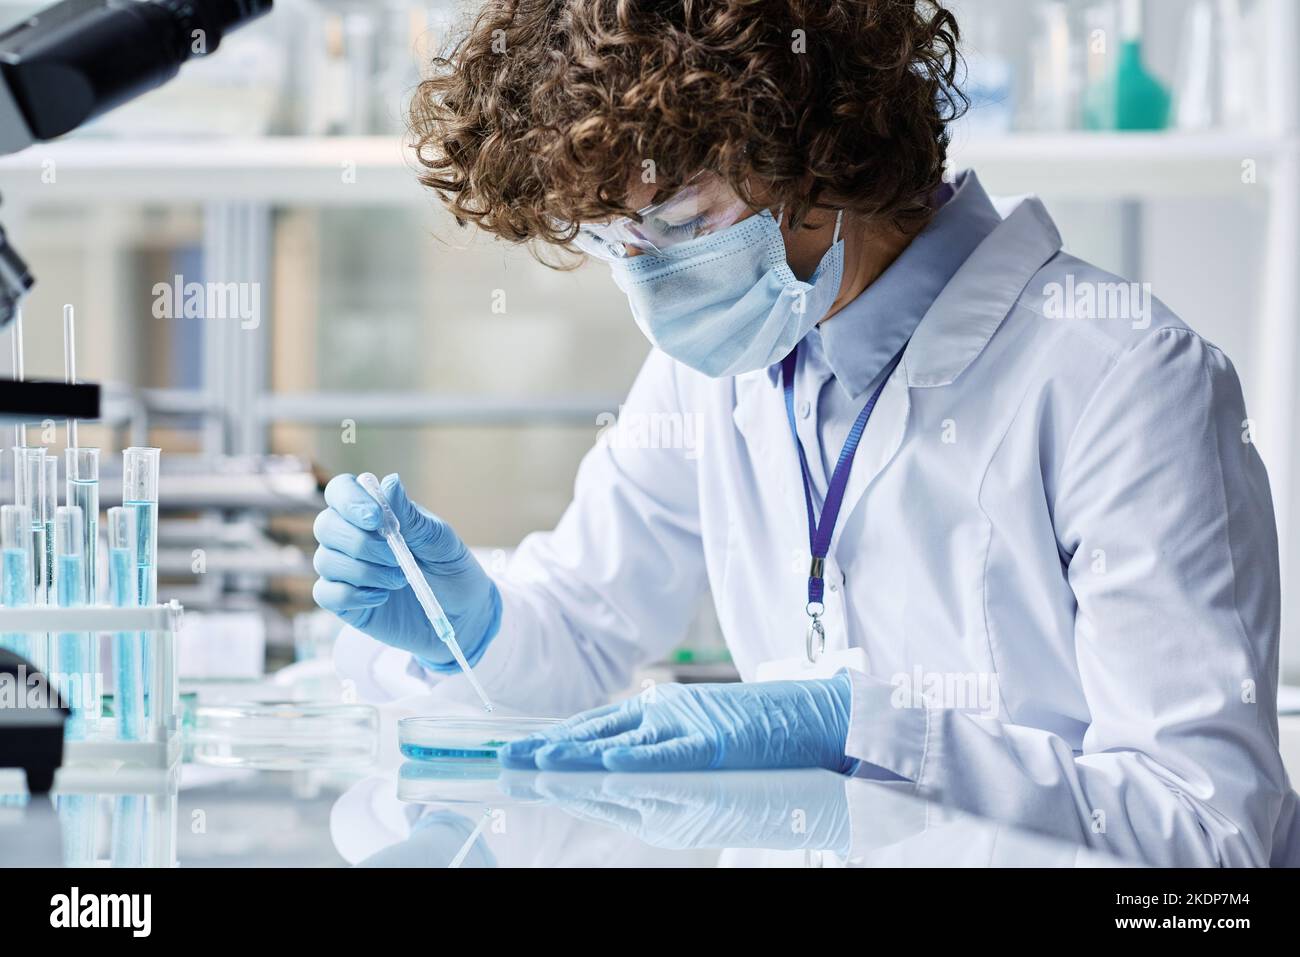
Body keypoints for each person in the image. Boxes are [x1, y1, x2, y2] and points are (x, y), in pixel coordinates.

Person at [312, 0, 1298, 866]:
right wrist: (468, 628)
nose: (645, 276)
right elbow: (578, 631)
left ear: (818, 151)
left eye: (682, 219)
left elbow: (1209, 847)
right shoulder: (716, 374)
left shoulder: (1121, 379)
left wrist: (871, 733)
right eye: (619, 238)